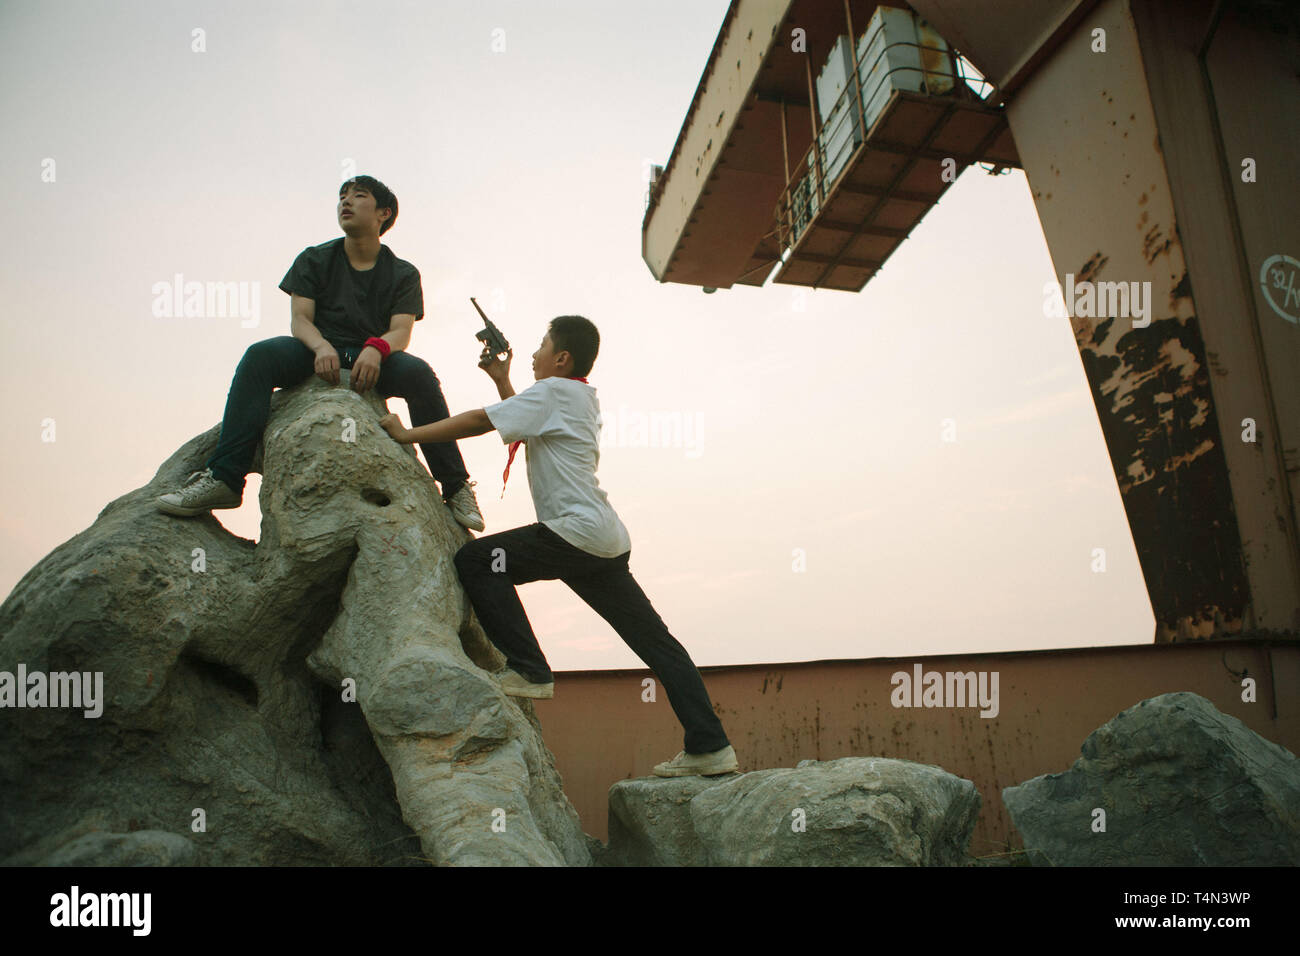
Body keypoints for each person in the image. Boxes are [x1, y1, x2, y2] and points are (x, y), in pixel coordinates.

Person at [377, 316, 738, 777]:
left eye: (541, 345)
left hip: (574, 534)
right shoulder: (578, 395)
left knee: (479, 561)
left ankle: (529, 668)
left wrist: (407, 434)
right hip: (601, 542)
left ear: (562, 358)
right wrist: (504, 379)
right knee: (658, 646)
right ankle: (711, 746)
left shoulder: (552, 393)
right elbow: (524, 422)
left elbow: (479, 421)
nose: (533, 352)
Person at [156, 175, 484, 531]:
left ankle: (455, 487)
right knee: (259, 356)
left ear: (383, 213)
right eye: (342, 196)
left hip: (371, 359)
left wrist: (376, 349)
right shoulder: (315, 258)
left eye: (358, 197)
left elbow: (401, 330)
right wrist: (320, 345)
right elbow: (300, 320)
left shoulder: (402, 273)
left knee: (420, 374)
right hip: (315, 351)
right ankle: (225, 478)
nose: (346, 203)